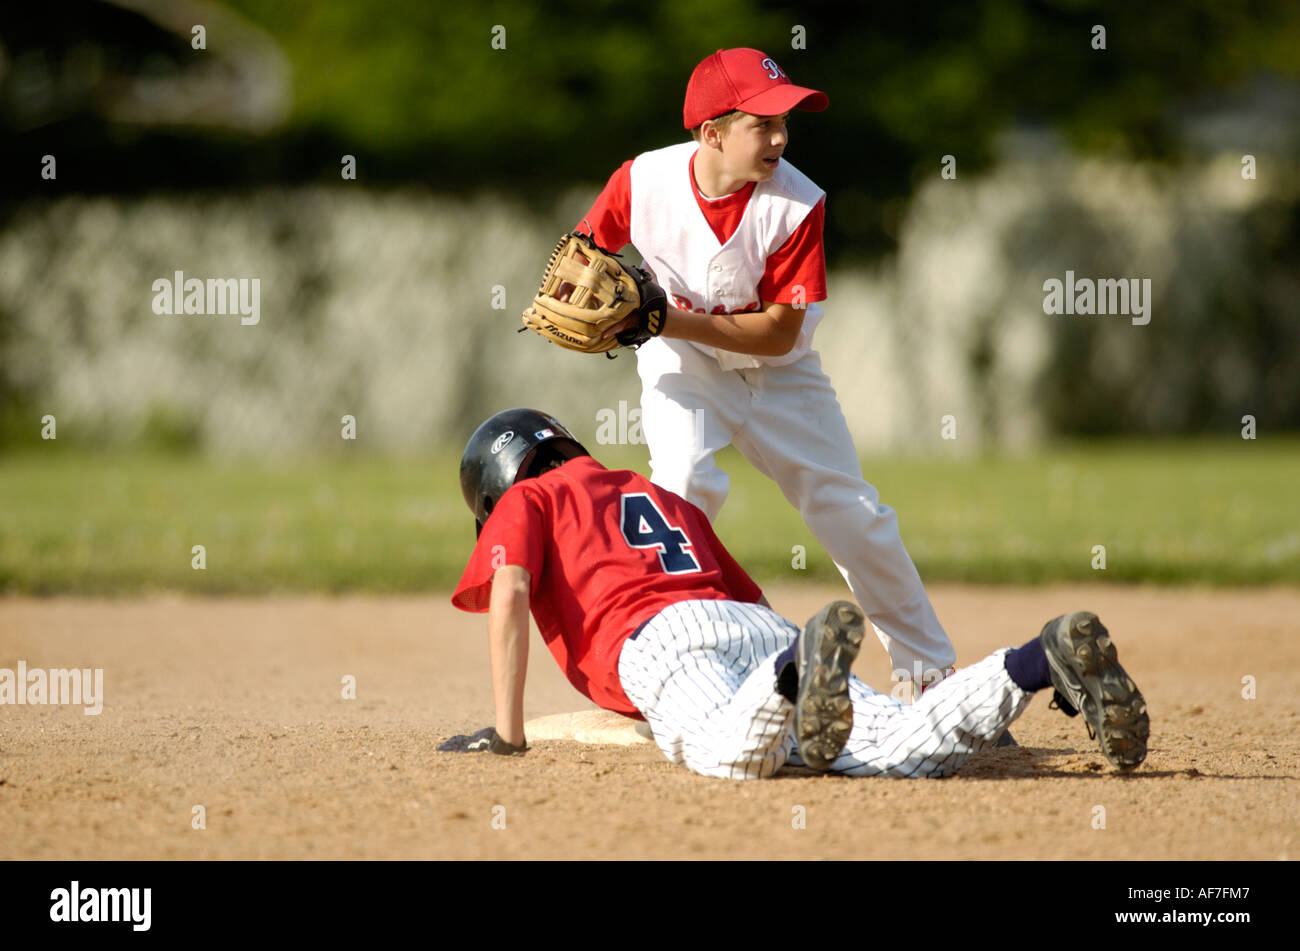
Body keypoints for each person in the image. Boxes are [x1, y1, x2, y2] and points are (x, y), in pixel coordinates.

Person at [439, 409, 1150, 780]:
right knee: (904, 749)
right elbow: (740, 590)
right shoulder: (648, 491)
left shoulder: (526, 497)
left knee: (729, 755)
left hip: (656, 640)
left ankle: (796, 676)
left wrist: (506, 736)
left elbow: (510, 590)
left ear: (502, 480)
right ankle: (1037, 660)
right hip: (754, 623)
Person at [568, 47, 955, 700]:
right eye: (763, 122)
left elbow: (778, 334)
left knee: (852, 514)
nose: (780, 135)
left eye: (785, 121)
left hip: (783, 375)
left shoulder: (795, 204)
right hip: (684, 364)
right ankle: (676, 669)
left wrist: (663, 317)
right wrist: (587, 302)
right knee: (684, 486)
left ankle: (930, 672)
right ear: (712, 133)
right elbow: (582, 255)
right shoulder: (642, 182)